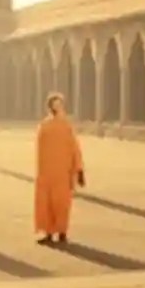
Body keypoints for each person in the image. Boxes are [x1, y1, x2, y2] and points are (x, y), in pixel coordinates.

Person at [35, 92, 86, 245]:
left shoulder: (66, 126)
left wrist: (79, 170)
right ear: (50, 106)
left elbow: (74, 148)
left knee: (62, 204)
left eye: (60, 104)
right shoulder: (44, 126)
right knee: (47, 204)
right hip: (47, 172)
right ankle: (49, 233)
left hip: (63, 172)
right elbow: (40, 151)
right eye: (55, 104)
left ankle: (62, 232)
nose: (58, 107)